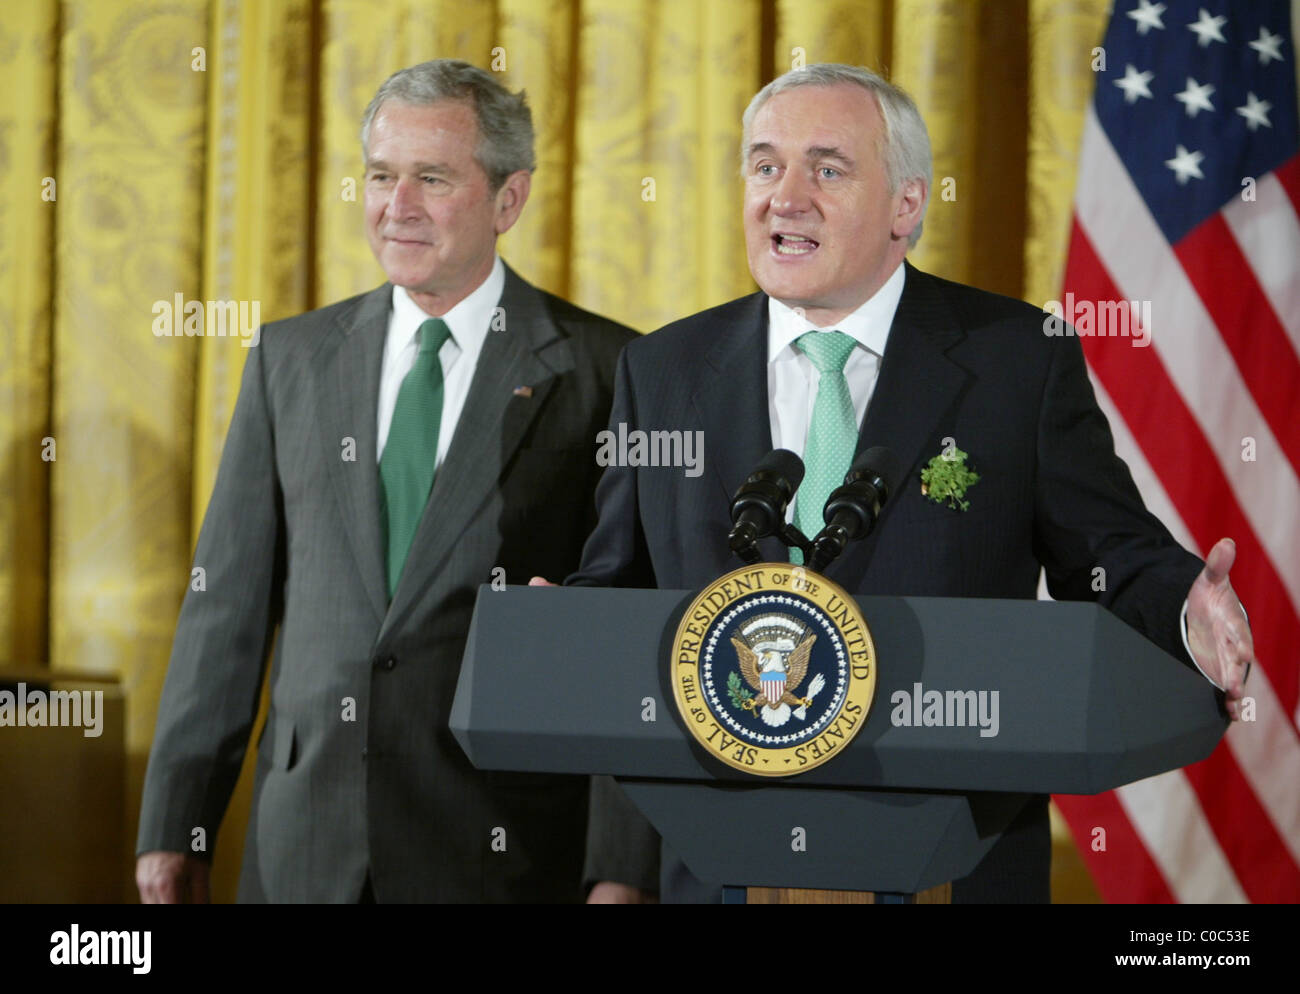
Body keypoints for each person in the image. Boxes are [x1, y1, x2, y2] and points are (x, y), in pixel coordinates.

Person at [561, 63, 1257, 903]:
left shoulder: (1015, 360)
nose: (784, 196)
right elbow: (623, 603)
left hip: (952, 864)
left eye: (826, 168)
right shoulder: (662, 370)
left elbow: (1109, 557)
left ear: (907, 205)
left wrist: (1188, 607)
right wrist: (558, 634)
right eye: (763, 164)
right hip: (721, 873)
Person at [135, 59, 635, 903]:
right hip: (306, 842)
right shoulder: (289, 359)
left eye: (432, 179)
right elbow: (225, 608)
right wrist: (175, 825)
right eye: (379, 176)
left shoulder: (608, 367)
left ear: (507, 199)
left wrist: (621, 868)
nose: (396, 208)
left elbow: (627, 627)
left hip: (498, 845)